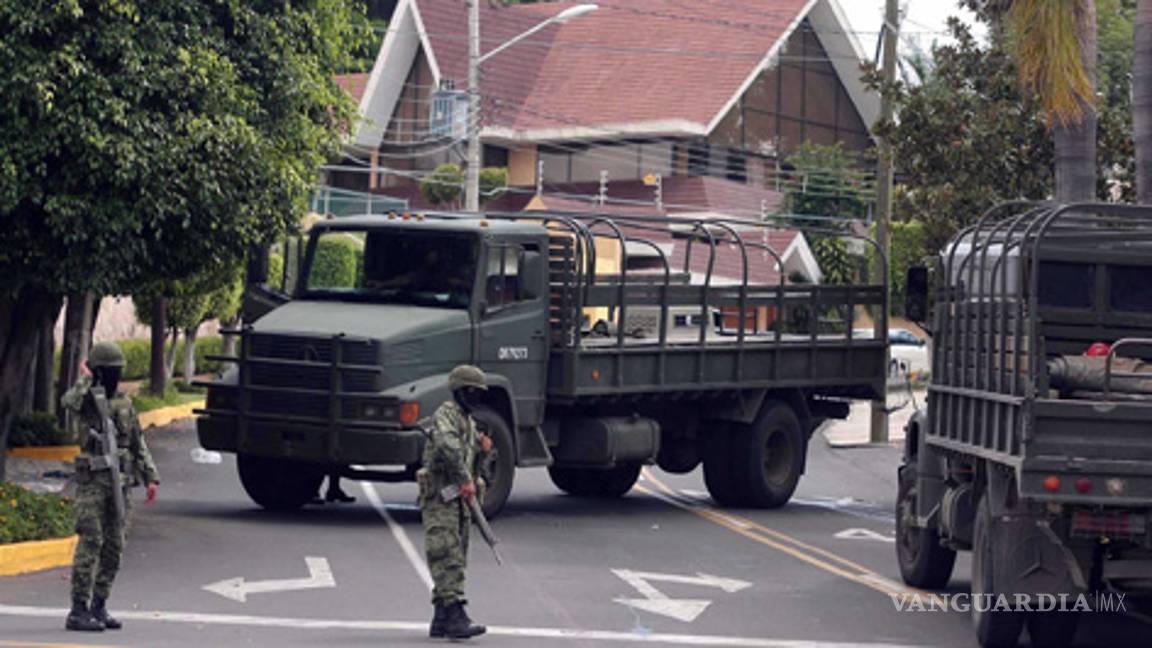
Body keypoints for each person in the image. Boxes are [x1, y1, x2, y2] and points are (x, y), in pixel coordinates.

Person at [61, 342, 160, 632]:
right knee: (91, 542)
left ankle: (99, 605)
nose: (116, 376)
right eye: (111, 371)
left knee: (115, 547)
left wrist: (150, 476)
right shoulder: (88, 398)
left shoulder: (125, 403)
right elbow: (69, 402)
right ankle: (77, 610)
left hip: (121, 484)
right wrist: (87, 377)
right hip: (93, 484)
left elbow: (138, 441)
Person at [418, 364, 493, 640]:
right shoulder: (446, 416)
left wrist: (484, 452)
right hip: (442, 497)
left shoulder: (468, 422)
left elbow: (471, 460)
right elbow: (448, 449)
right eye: (472, 392)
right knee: (446, 554)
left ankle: (441, 617)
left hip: (458, 501)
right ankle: (455, 616)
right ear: (460, 391)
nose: (477, 398)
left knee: (456, 554)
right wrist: (464, 479)